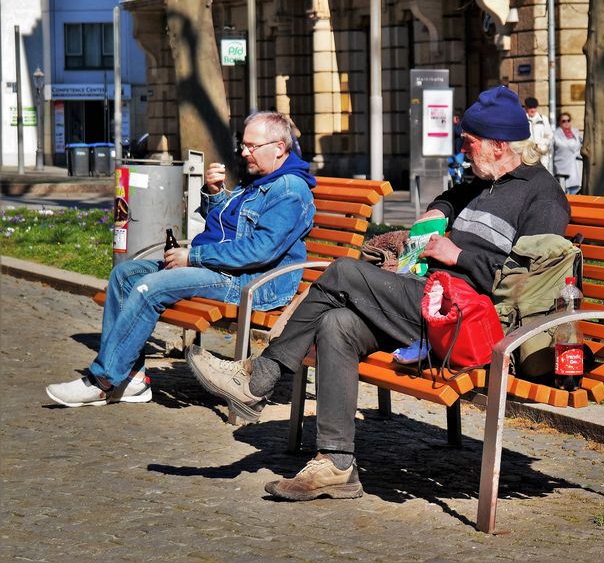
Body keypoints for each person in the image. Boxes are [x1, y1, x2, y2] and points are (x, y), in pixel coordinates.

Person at [187, 86, 571, 501]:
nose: (462, 148)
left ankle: (259, 377)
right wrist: (438, 212)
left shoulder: (542, 195)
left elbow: (529, 281)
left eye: (470, 142)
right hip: (427, 303)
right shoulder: (480, 182)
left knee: (343, 272)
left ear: (498, 145)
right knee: (337, 324)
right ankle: (336, 465)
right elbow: (448, 197)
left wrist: (456, 254)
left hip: (471, 321)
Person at [45, 112, 317, 407]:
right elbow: (232, 228)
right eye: (244, 144)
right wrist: (215, 195)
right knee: (125, 275)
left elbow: (259, 251)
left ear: (279, 147)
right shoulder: (264, 179)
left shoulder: (289, 189)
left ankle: (102, 381)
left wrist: (194, 257)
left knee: (150, 287)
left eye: (252, 146)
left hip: (251, 282)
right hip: (225, 269)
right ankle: (134, 380)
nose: (243, 152)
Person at [553, 112, 583, 194]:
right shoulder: (555, 135)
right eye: (563, 121)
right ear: (559, 122)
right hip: (563, 170)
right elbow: (557, 149)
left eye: (568, 120)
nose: (566, 123)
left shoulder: (576, 133)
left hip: (576, 170)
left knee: (576, 195)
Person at [524, 96, 554, 174]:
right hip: (528, 154)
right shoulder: (522, 120)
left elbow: (549, 135)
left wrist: (540, 145)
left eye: (534, 107)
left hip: (542, 154)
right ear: (526, 108)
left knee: (543, 174)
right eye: (530, 107)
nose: (532, 110)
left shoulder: (543, 119)